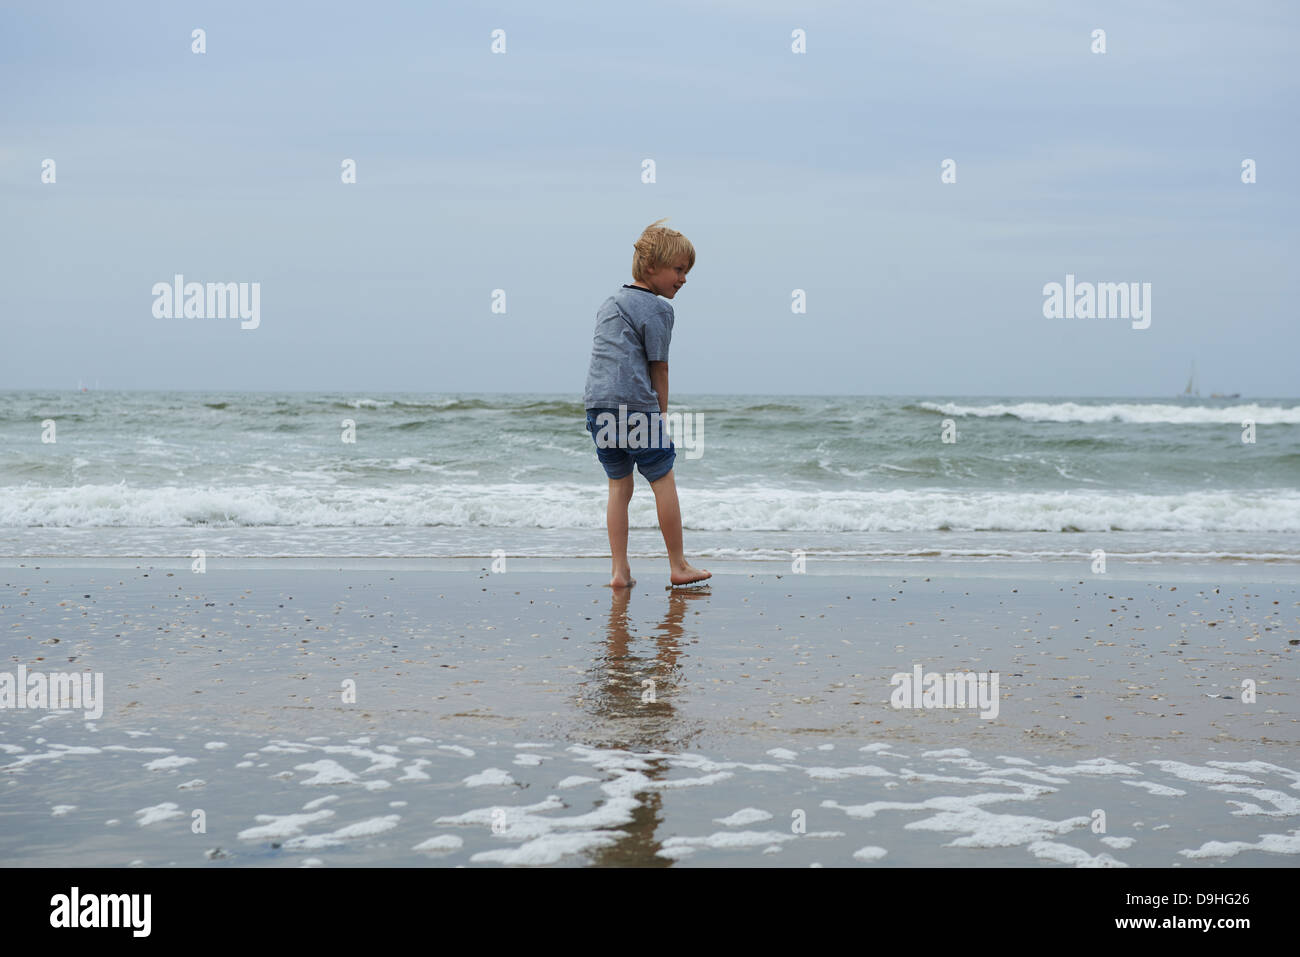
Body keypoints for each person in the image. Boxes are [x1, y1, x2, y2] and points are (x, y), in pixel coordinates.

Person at [582, 218, 712, 589]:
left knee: (618, 487)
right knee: (663, 479)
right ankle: (678, 564)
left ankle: (619, 572)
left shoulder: (610, 302)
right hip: (635, 407)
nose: (684, 278)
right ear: (652, 268)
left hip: (597, 406)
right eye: (679, 269)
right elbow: (660, 367)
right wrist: (662, 416)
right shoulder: (657, 310)